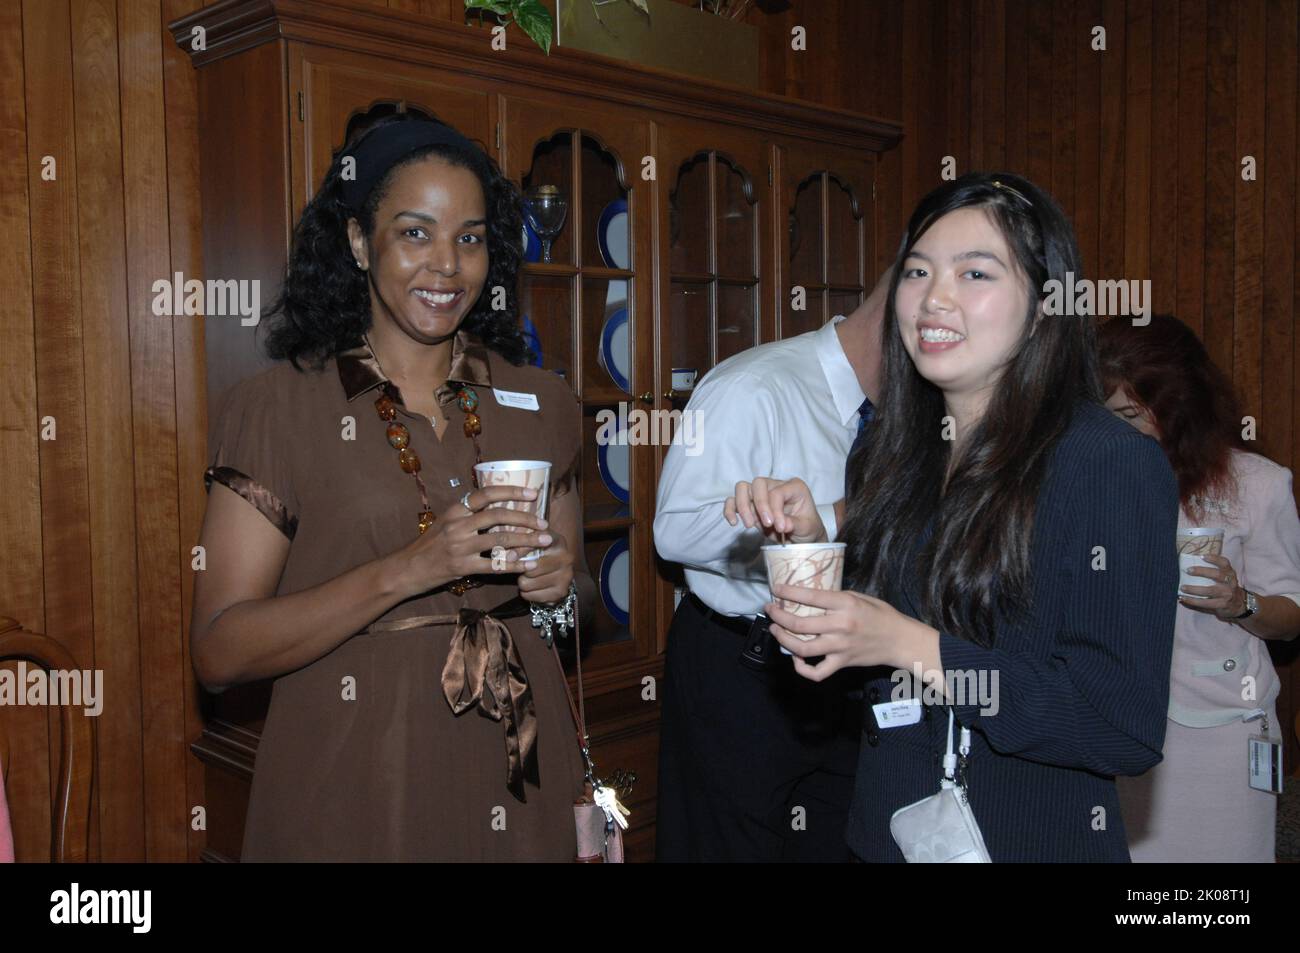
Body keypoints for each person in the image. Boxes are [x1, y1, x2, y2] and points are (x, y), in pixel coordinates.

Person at [728, 172, 1180, 862]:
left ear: (1043, 303)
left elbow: (1118, 724)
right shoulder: (888, 448)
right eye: (916, 271)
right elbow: (872, 675)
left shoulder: (1107, 463)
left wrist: (913, 645)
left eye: (975, 272)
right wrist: (817, 551)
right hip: (884, 837)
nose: (934, 298)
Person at [190, 111, 591, 861]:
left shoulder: (542, 401)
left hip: (520, 771)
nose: (446, 264)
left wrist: (560, 586)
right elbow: (219, 650)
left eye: (469, 238)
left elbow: (575, 603)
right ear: (356, 241)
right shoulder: (278, 407)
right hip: (352, 776)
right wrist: (413, 567)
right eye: (414, 232)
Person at [653, 268, 890, 862]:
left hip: (847, 671)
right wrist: (827, 514)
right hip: (744, 670)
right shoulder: (753, 386)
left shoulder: (910, 414)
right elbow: (672, 530)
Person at [1100, 314, 1300, 863]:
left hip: (1221, 728)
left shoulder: (1258, 484)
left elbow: (1291, 615)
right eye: (1106, 416)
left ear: (1179, 405)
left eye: (1129, 415)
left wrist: (1242, 603)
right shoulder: (1093, 480)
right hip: (1114, 719)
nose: (1117, 431)